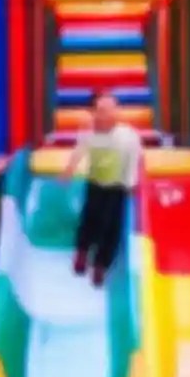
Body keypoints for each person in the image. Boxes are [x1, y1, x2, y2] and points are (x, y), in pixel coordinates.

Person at [62, 90, 144, 287]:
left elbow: (134, 158)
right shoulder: (89, 133)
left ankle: (101, 264)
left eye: (111, 109)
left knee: (111, 226)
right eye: (101, 110)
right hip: (95, 183)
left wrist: (131, 182)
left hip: (117, 186)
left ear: (117, 112)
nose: (107, 114)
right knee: (89, 219)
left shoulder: (127, 135)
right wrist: (70, 169)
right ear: (94, 113)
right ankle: (82, 252)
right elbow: (79, 150)